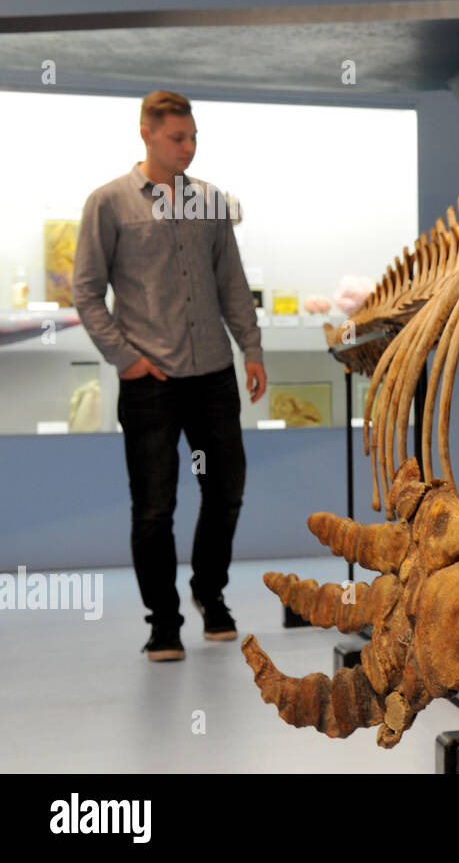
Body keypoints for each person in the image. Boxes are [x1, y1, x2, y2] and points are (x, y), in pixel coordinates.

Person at [73, 90, 266, 662]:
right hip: (150, 382)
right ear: (146, 134)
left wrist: (250, 348)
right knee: (155, 507)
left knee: (225, 490)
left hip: (212, 374)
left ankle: (211, 594)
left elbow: (231, 282)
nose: (188, 147)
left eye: (193, 136)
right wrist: (125, 358)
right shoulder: (108, 203)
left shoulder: (209, 203)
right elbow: (85, 292)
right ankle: (163, 621)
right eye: (177, 137)